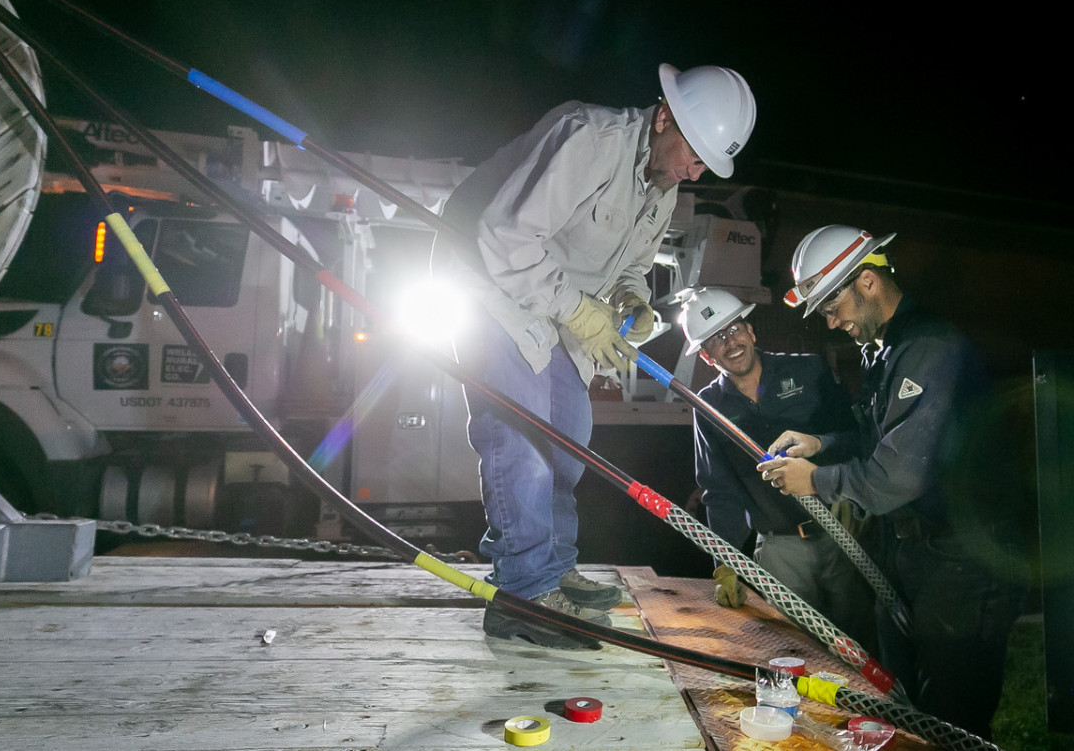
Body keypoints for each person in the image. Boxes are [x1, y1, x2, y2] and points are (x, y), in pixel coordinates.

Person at [434, 63, 756, 649]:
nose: (695, 171)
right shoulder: (589, 138)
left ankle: (553, 569)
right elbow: (505, 238)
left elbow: (631, 267)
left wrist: (633, 299)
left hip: (554, 303)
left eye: (707, 164)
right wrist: (580, 312)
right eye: (694, 153)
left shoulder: (662, 188)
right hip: (491, 283)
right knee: (523, 433)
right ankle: (523, 595)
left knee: (569, 435)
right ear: (664, 117)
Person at [757, 225, 1023, 737]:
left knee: (951, 715)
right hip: (915, 554)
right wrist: (821, 445)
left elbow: (895, 475)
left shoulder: (929, 348)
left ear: (868, 281)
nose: (832, 322)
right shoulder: (884, 349)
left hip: (963, 562)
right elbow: (877, 441)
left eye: (832, 306)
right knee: (901, 702)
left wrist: (815, 480)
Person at [679, 286, 875, 649]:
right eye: (716, 339)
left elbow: (855, 438)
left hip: (841, 533)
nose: (730, 342)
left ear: (751, 331)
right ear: (706, 356)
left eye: (734, 329)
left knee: (861, 642)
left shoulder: (808, 369)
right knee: (792, 648)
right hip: (780, 551)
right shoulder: (709, 407)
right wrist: (726, 562)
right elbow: (719, 491)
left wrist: (850, 492)